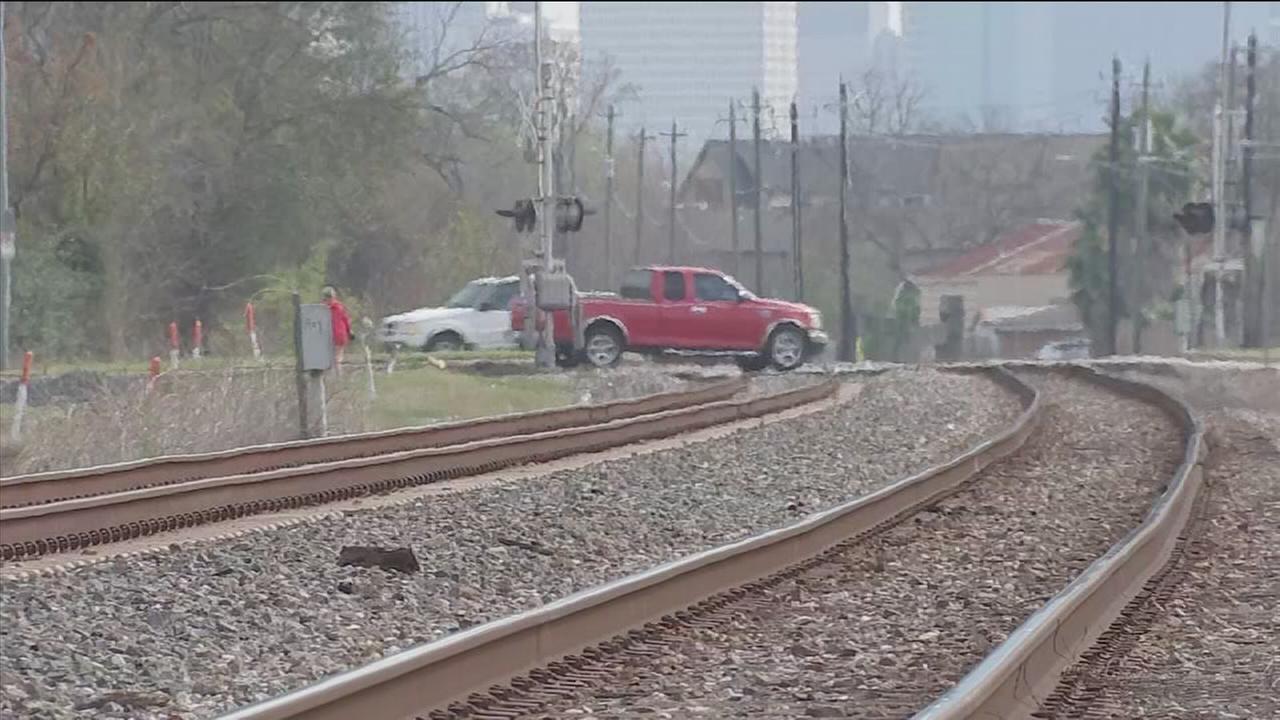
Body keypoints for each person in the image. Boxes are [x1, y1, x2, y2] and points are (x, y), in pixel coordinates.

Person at [322, 286, 353, 374]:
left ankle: (333, 375)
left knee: (331, 357)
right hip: (340, 335)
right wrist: (349, 331)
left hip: (329, 335)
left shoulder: (321, 308)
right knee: (337, 357)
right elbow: (346, 320)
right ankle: (338, 376)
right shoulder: (339, 306)